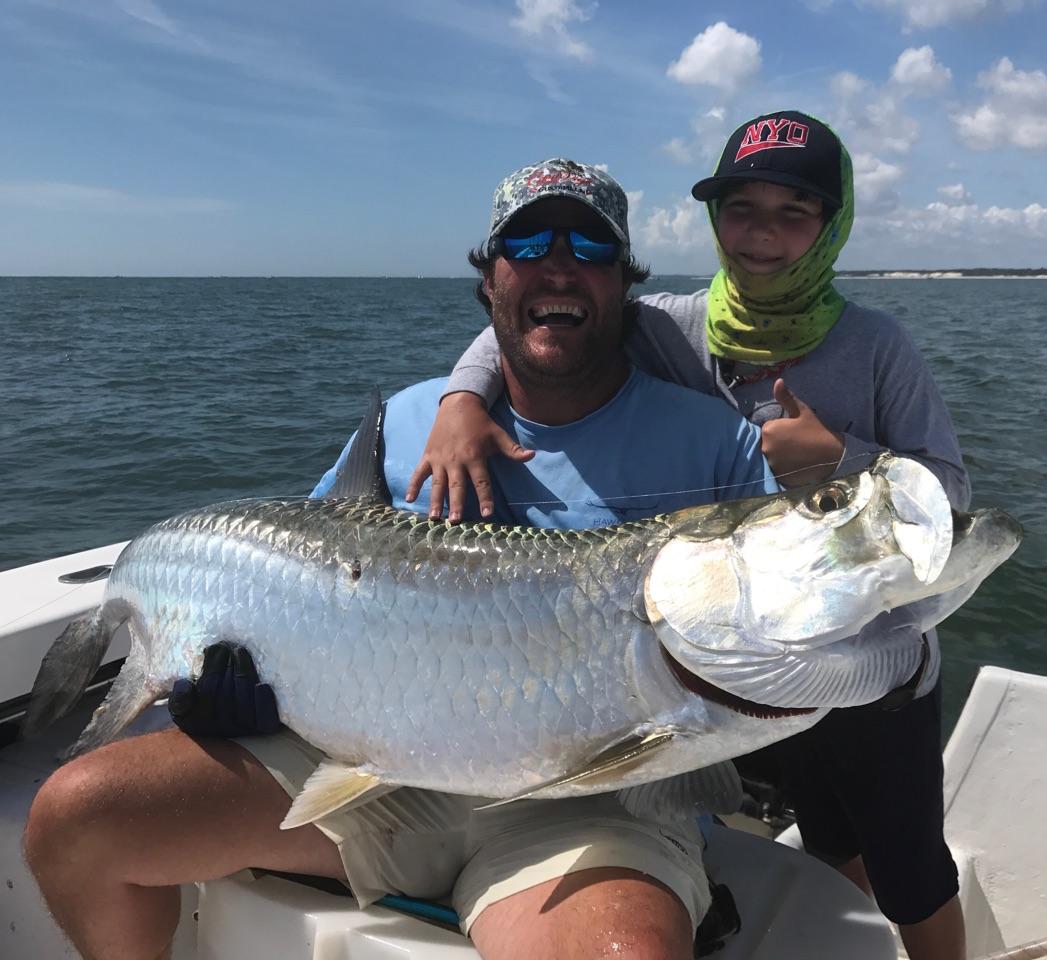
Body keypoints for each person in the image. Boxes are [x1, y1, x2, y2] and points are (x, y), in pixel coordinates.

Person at [22, 158, 777, 960]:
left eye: (591, 246)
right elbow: (306, 568)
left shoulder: (716, 442)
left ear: (626, 283)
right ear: (490, 278)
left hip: (595, 803)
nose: (560, 262)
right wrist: (231, 679)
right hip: (363, 773)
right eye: (528, 240)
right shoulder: (406, 424)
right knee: (76, 820)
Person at [406, 112, 971, 960]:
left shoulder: (877, 348)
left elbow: (952, 500)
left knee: (913, 870)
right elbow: (540, 316)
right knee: (826, 848)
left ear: (833, 226)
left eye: (794, 213)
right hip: (740, 654)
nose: (762, 235)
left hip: (867, 664)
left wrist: (839, 459)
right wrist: (460, 400)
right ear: (713, 219)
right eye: (742, 209)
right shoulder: (671, 323)